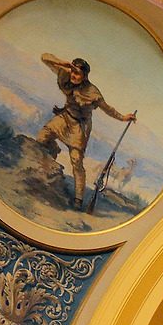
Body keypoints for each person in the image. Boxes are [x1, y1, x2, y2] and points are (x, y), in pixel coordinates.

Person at [36, 55, 136, 209]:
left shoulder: (92, 92)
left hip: (79, 127)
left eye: (78, 74)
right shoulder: (65, 74)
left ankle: (78, 199)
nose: (74, 76)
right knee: (42, 136)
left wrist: (123, 118)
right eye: (73, 72)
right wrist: (62, 63)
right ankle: (48, 162)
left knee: (76, 161)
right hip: (64, 118)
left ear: (84, 76)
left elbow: (108, 109)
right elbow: (44, 57)